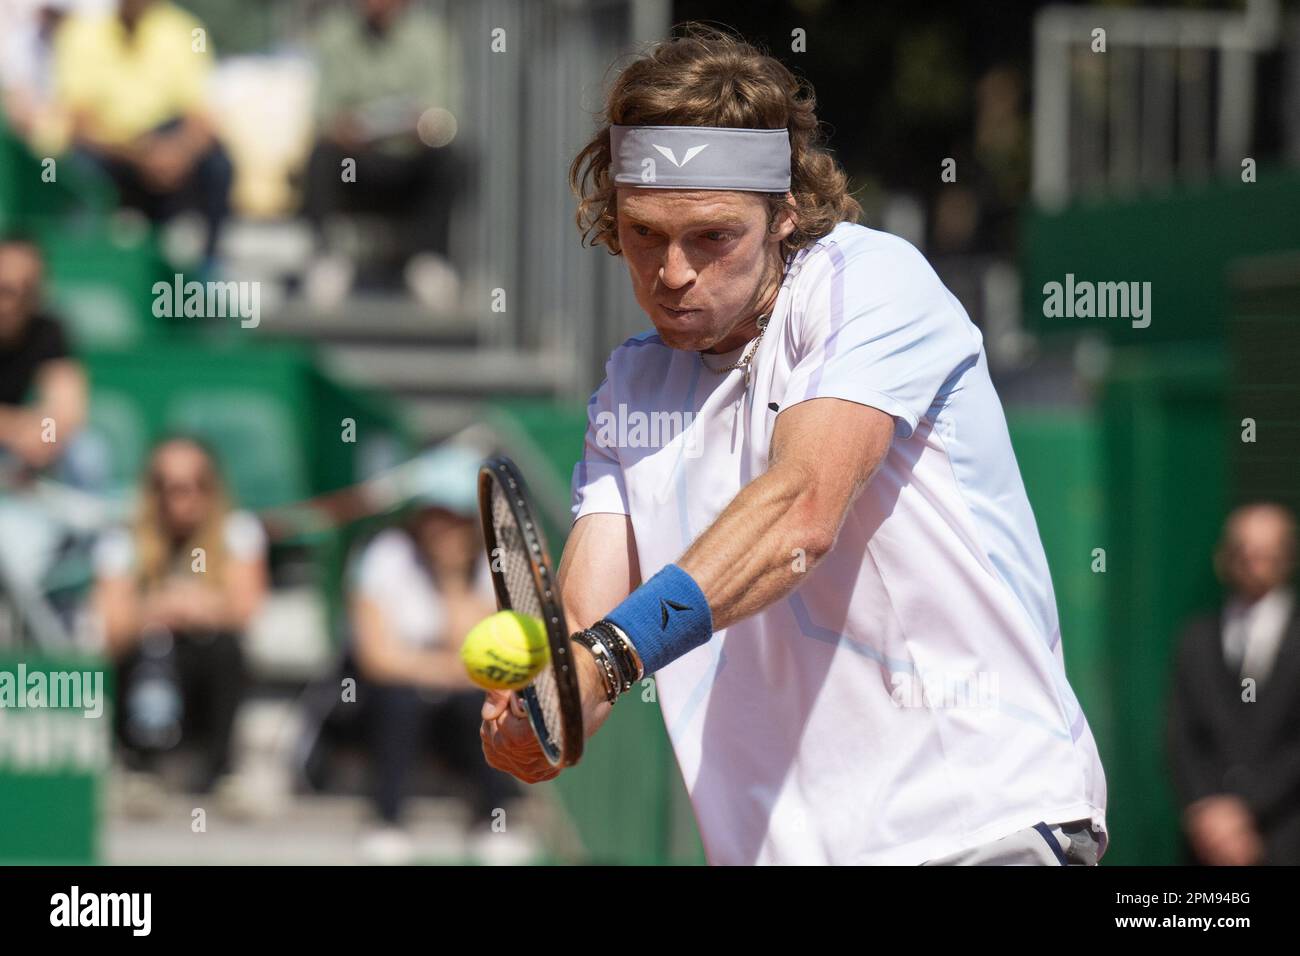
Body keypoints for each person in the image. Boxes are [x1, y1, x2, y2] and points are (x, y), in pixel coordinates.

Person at [479, 26, 1108, 866]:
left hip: (979, 829)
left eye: (712, 237)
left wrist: (606, 658)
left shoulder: (871, 283)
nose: (671, 273)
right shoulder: (631, 388)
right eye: (642, 234)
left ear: (785, 214)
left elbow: (801, 513)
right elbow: (590, 634)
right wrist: (545, 709)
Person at [348, 446, 519, 862]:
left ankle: (493, 818)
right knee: (400, 703)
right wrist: (451, 668)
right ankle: (387, 818)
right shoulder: (384, 556)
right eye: (436, 514)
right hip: (391, 700)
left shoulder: (494, 564)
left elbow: (502, 657)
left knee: (482, 705)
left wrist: (450, 580)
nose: (446, 528)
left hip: (455, 702)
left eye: (457, 516)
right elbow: (376, 659)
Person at [93, 436, 267, 793]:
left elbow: (245, 610)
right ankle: (141, 764)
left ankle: (221, 768)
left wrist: (195, 607)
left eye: (193, 486)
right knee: (151, 646)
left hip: (204, 666)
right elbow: (110, 630)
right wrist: (155, 609)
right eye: (166, 487)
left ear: (211, 489)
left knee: (224, 648)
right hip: (148, 664)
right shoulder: (123, 540)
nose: (179, 499)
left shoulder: (236, 532)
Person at [303, 0, 462, 307]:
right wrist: (347, 128)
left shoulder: (431, 38)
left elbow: (443, 117)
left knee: (450, 159)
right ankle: (327, 257)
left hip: (411, 160)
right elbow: (324, 116)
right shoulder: (336, 36)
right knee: (321, 156)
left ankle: (429, 260)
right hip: (356, 161)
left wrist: (415, 125)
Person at [1168, 503, 1300, 865]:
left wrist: (1245, 813)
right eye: (1243, 550)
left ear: (1287, 557)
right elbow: (1182, 737)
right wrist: (1211, 817)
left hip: (1285, 839)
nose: (1254, 561)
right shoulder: (1196, 639)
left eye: (1267, 551)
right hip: (1207, 847)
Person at [53, 0, 232, 264]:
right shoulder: (82, 32)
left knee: (218, 166)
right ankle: (82, 260)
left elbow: (201, 118)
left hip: (166, 144)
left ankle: (208, 263)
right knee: (77, 169)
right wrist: (142, 155)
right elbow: (80, 125)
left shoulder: (182, 31)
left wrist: (177, 152)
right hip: (112, 152)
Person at [0, 234, 86, 474]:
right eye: (4, 289)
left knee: (86, 452)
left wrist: (45, 435)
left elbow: (64, 409)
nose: (10, 303)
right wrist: (17, 428)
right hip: (14, 436)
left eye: (25, 290)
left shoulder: (48, 331)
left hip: (23, 447)